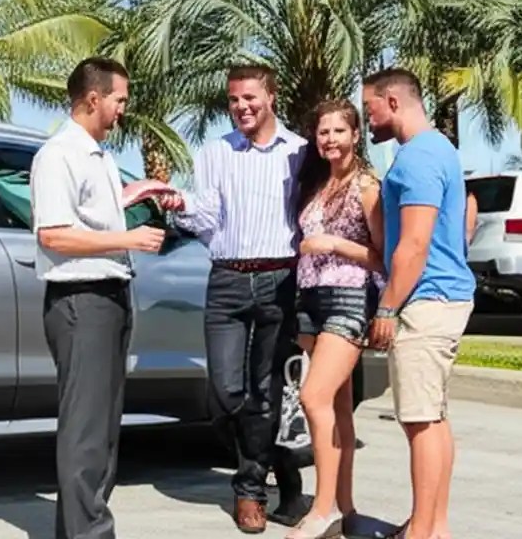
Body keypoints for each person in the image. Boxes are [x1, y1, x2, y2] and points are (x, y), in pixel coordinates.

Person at [160, 65, 308, 534]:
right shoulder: (214, 152)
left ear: (271, 96)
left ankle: (249, 492)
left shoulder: (301, 153)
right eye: (233, 100)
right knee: (225, 395)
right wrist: (179, 205)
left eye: (249, 97)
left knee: (265, 395)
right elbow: (208, 218)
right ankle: (280, 461)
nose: (241, 107)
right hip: (226, 280)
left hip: (278, 280)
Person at [29, 55, 166, 539]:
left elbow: (88, 216)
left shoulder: (97, 156)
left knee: (104, 431)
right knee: (85, 432)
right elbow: (55, 235)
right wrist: (130, 240)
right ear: (94, 98)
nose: (123, 110)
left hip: (109, 297)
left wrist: (133, 194)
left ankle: (80, 531)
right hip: (79, 300)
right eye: (119, 100)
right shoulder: (58, 156)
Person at [361, 68, 476, 539]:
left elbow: (413, 245)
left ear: (392, 102)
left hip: (426, 300)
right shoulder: (440, 149)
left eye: (369, 108)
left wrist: (387, 307)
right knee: (433, 419)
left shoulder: (417, 159)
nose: (368, 119)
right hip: (442, 297)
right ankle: (433, 526)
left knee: (420, 422)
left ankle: (422, 532)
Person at [285, 100, 385, 539]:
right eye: (322, 132)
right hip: (311, 298)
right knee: (338, 406)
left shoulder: (366, 185)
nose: (329, 140)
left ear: (355, 134)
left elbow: (381, 256)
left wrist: (333, 244)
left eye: (338, 132)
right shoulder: (319, 184)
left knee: (314, 397)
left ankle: (321, 510)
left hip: (349, 297)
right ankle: (344, 507)